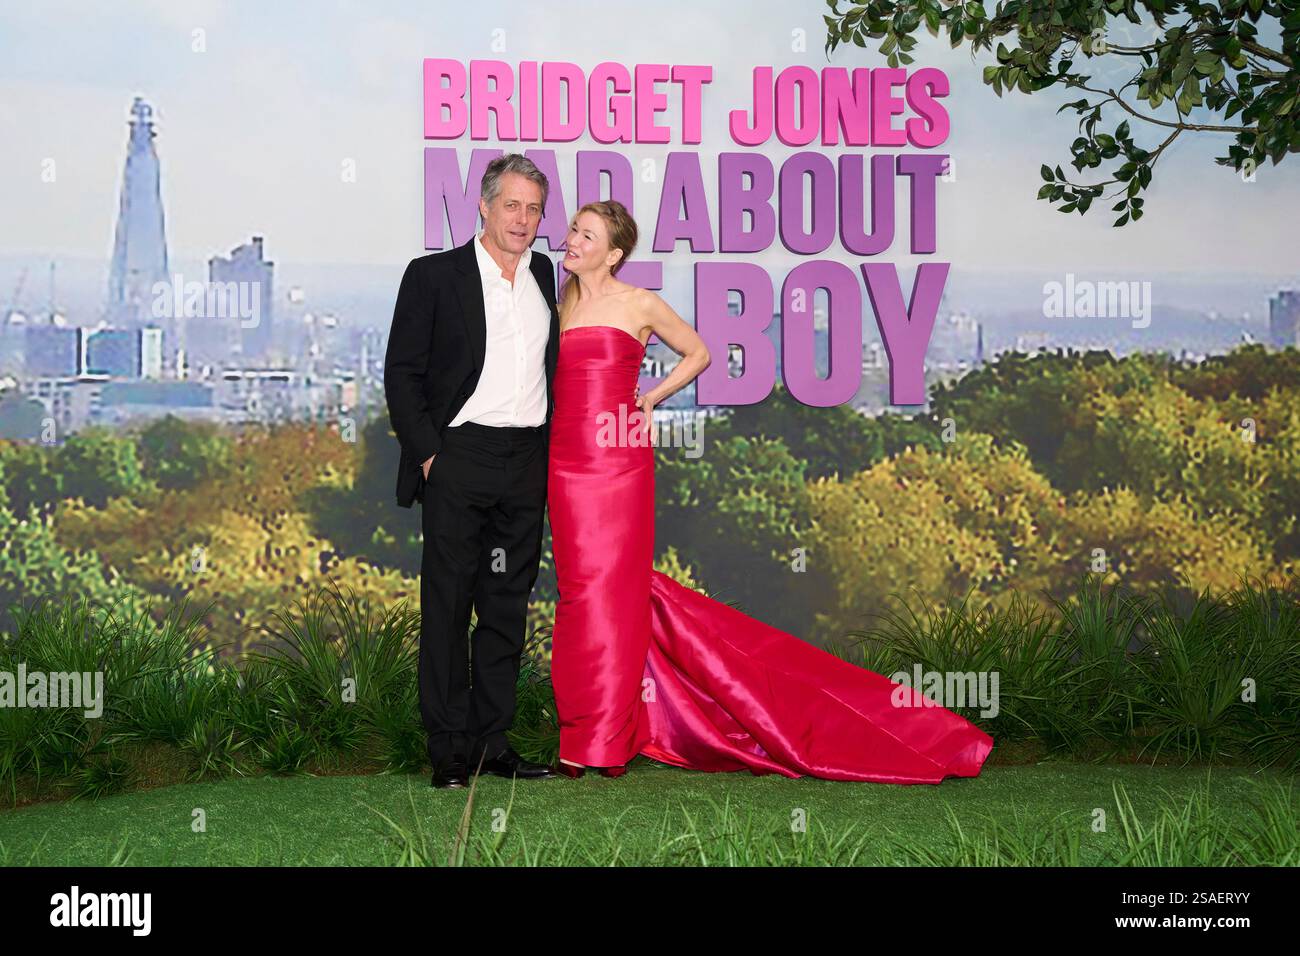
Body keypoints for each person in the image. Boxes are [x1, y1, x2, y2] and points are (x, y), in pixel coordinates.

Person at [546, 199, 994, 783]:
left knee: (612, 588)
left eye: (587, 234)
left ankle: (598, 744)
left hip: (619, 459)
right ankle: (596, 729)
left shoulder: (641, 303)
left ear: (615, 253)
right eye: (575, 230)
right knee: (581, 592)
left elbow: (700, 353)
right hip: (564, 459)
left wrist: (651, 397)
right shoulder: (562, 303)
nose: (573, 239)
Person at [384, 154, 559, 788]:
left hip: (525, 462)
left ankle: (493, 740)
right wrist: (432, 455)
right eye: (511, 205)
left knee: (507, 608)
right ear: (483, 206)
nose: (523, 218)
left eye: (534, 208)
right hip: (459, 459)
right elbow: (401, 374)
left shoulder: (543, 273)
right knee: (449, 606)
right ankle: (448, 748)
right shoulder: (433, 275)